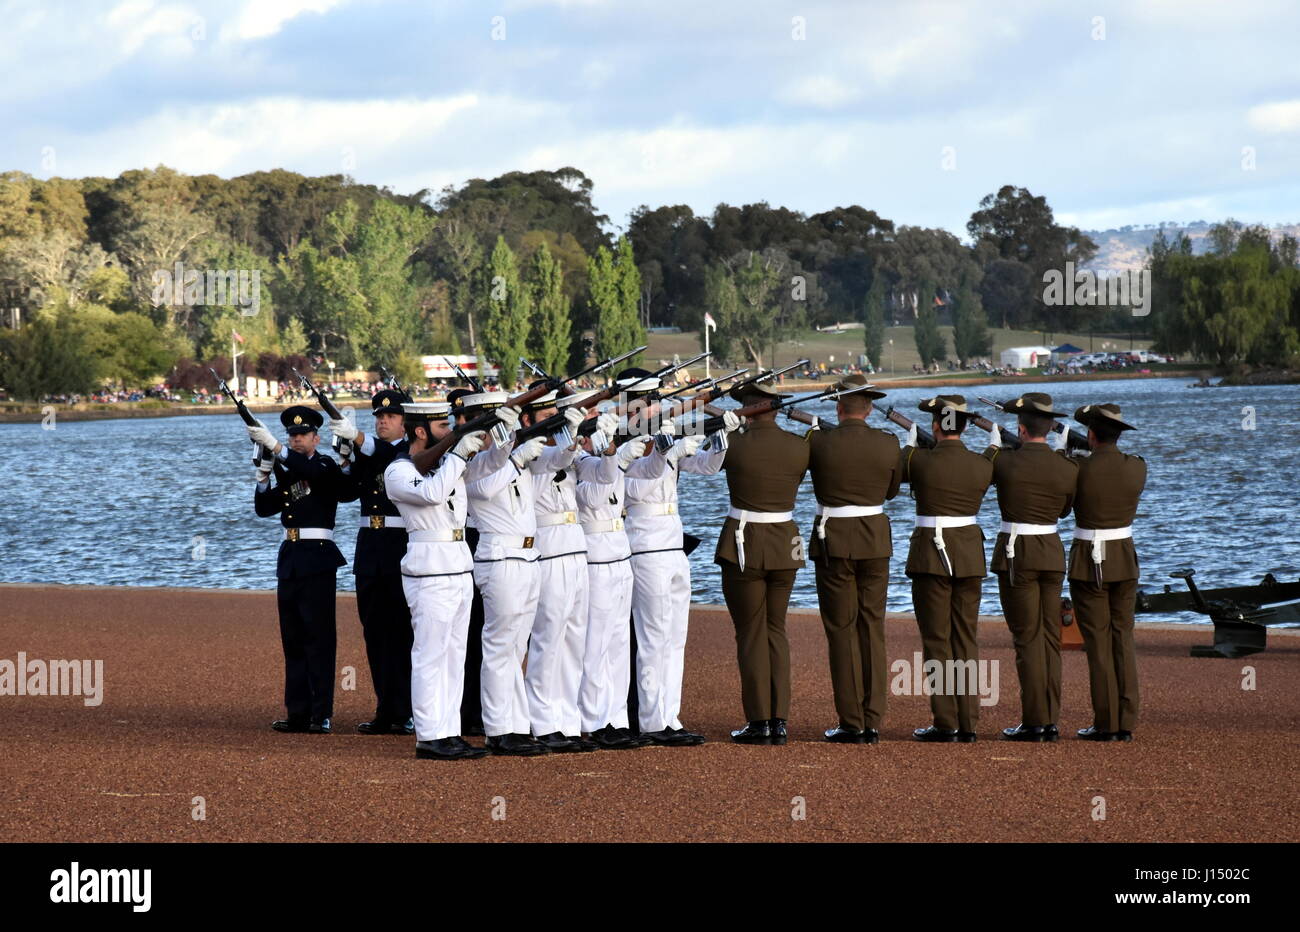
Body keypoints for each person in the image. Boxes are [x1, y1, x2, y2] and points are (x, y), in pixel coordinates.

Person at [619, 367, 738, 746]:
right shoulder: (620, 443)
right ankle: (653, 721)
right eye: (649, 400)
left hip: (672, 543)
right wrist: (666, 451)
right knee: (653, 638)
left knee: (675, 638)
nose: (656, 406)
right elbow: (632, 490)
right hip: (644, 544)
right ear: (630, 403)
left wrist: (720, 441)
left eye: (657, 400)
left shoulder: (660, 437)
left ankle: (670, 715)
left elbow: (703, 466)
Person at [383, 401, 489, 760]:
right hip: (428, 571)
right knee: (430, 655)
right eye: (443, 426)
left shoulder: (447, 466)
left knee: (454, 656)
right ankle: (429, 736)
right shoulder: (397, 471)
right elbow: (431, 494)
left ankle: (449, 730)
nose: (449, 430)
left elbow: (486, 476)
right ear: (421, 432)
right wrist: (457, 453)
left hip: (459, 567)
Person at [806, 375, 898, 744]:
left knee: (841, 630)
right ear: (870, 407)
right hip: (875, 539)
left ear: (838, 407)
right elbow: (891, 492)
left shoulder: (819, 443)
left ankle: (851, 721)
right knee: (872, 628)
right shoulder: (889, 443)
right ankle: (873, 718)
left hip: (835, 541)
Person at [460, 390, 553, 756]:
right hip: (499, 557)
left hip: (528, 556)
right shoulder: (472, 459)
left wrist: (570, 436)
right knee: (499, 645)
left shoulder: (514, 453)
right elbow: (480, 489)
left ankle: (515, 723)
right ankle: (498, 729)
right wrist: (513, 458)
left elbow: (559, 459)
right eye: (495, 423)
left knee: (517, 646)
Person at [981, 393, 1077, 742]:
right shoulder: (1067, 466)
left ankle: (1035, 721)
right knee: (1050, 638)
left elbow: (980, 480)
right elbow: (1066, 510)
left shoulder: (1004, 462)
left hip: (1017, 553)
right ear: (1050, 429)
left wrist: (992, 448)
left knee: (1027, 638)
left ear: (1020, 429)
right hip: (1051, 551)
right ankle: (1050, 718)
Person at [712, 380, 804, 745]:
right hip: (785, 544)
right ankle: (779, 719)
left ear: (748, 410)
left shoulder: (734, 443)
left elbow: (704, 457)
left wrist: (726, 425)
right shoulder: (799, 447)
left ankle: (759, 721)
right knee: (776, 631)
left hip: (745, 544)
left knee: (751, 634)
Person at [248, 406, 349, 735]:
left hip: (318, 557)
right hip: (291, 557)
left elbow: (314, 475)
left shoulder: (324, 465)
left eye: (302, 434)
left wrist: (276, 450)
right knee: (293, 639)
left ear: (316, 438)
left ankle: (321, 713)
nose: (295, 439)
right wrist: (263, 478)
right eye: (291, 436)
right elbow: (264, 508)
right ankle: (298, 712)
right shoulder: (288, 470)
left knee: (318, 638)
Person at [898, 395, 993, 743]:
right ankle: (968, 721)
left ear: (935, 425)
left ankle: (945, 721)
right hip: (968, 553)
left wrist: (909, 448)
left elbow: (897, 477)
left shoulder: (918, 460)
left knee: (937, 640)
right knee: (965, 637)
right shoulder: (983, 464)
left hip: (930, 556)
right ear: (965, 427)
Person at [329, 388, 415, 736]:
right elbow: (346, 493)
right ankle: (387, 709)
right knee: (375, 632)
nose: (382, 421)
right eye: (379, 416)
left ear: (406, 423)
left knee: (404, 632)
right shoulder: (369, 452)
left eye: (391, 416)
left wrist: (359, 440)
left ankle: (409, 709)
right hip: (370, 546)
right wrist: (347, 460)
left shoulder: (411, 451)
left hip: (399, 545)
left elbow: (387, 456)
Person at [574, 407, 656, 750]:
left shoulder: (606, 461)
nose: (604, 442)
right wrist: (614, 456)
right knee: (595, 643)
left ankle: (617, 716)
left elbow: (644, 479)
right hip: (594, 554)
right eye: (599, 436)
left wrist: (659, 447)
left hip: (619, 552)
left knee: (619, 644)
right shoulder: (576, 463)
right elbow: (594, 493)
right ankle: (593, 719)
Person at [518, 387, 591, 752]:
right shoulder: (528, 456)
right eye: (545, 418)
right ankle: (542, 721)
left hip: (576, 545)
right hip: (548, 548)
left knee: (574, 639)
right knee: (548, 639)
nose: (552, 422)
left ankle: (567, 720)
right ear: (528, 422)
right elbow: (551, 465)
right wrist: (567, 443)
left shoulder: (558, 451)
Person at [1068, 403, 1146, 742]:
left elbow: (1062, 508)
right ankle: (1125, 719)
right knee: (1122, 637)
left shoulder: (1077, 469)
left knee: (1098, 642)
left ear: (1090, 434)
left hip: (1089, 558)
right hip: (1124, 557)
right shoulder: (1137, 467)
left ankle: (1106, 721)